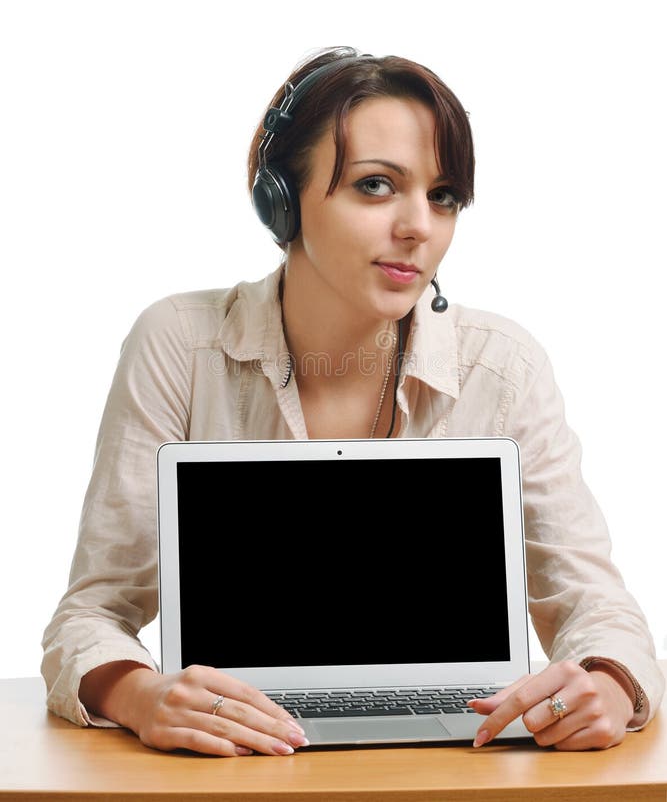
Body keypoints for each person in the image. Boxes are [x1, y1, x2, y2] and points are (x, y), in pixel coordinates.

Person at [41, 45, 664, 757]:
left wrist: (606, 684)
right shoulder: (179, 346)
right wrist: (141, 694)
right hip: (232, 760)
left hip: (461, 755)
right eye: (375, 186)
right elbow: (93, 608)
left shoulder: (503, 365)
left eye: (443, 196)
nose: (418, 227)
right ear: (279, 196)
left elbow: (592, 600)